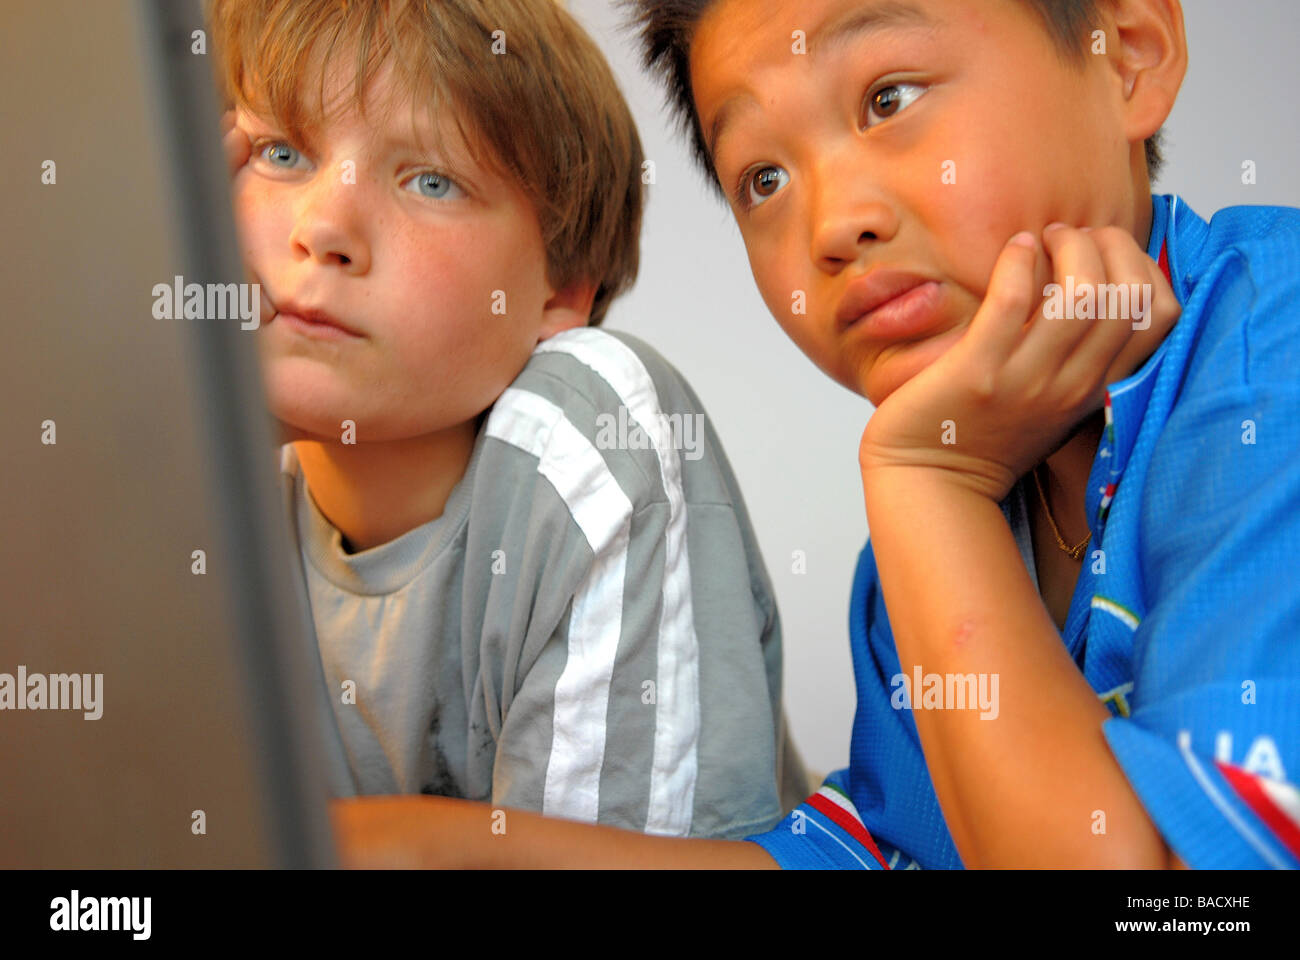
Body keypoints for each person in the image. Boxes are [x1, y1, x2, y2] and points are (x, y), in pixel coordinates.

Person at [323, 0, 1300, 869]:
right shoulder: (956, 514)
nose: (832, 224)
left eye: (888, 98)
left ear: (1126, 53)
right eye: (763, 178)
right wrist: (413, 844)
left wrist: (927, 483)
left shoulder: (1270, 354)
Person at [207, 0, 811, 846]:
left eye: (429, 180)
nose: (324, 229)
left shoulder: (586, 436)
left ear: (561, 290)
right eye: (280, 154)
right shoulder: (204, 484)